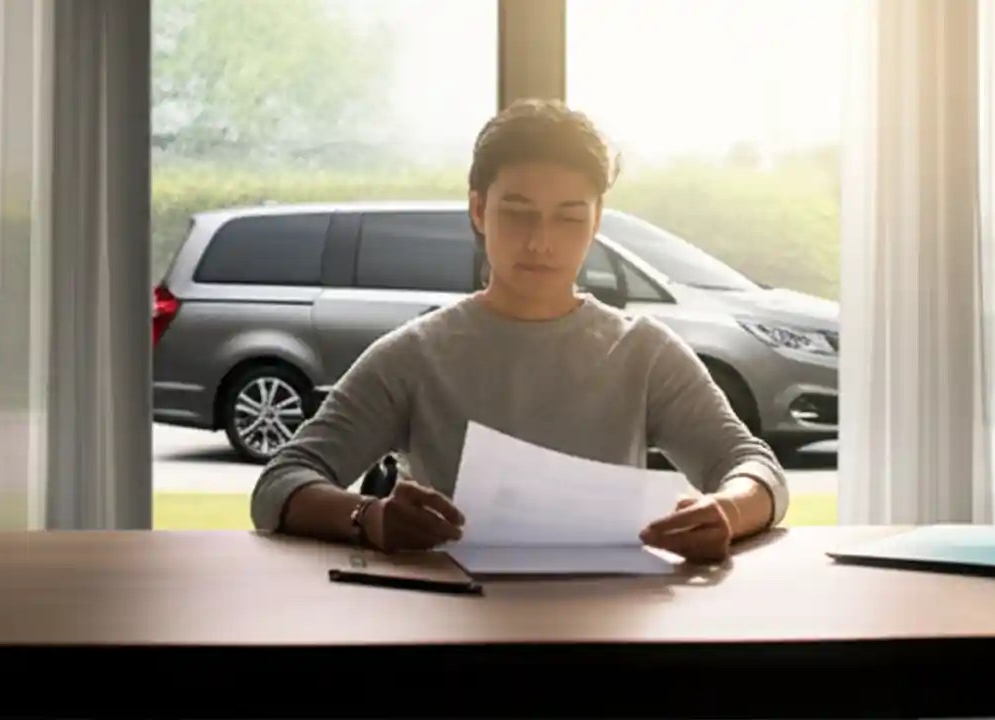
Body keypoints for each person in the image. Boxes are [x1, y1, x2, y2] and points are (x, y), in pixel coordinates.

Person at [249, 98, 789, 563]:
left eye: (568, 218)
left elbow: (754, 469)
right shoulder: (416, 354)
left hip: (608, 621)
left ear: (597, 223)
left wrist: (726, 510)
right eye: (519, 213)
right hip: (456, 623)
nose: (540, 242)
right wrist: (370, 517)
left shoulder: (641, 352)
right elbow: (282, 482)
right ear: (479, 210)